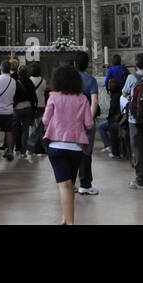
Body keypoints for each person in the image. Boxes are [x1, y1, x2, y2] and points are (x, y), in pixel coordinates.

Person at [42, 64, 95, 225]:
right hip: (76, 147)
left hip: (56, 146)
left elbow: (45, 120)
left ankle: (70, 222)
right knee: (69, 184)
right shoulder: (82, 99)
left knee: (64, 185)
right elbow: (89, 123)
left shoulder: (53, 97)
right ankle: (65, 218)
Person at [120, 53, 143, 190]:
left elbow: (124, 93)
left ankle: (141, 180)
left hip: (135, 118)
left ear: (136, 65)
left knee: (138, 149)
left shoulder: (131, 77)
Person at [75, 51, 100, 195]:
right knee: (85, 152)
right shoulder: (90, 80)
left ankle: (70, 183)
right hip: (85, 119)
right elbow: (94, 102)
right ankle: (85, 183)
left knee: (71, 150)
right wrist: (88, 121)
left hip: (70, 120)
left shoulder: (70, 80)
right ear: (87, 64)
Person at [0, 61, 18, 160]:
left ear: (1, 69)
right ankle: (10, 152)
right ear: (9, 69)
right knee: (9, 131)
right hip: (9, 110)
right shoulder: (13, 81)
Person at [13, 64, 37, 156]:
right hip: (28, 108)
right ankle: (23, 151)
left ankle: (15, 147)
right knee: (25, 130)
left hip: (17, 109)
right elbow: (33, 95)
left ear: (18, 73)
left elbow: (14, 96)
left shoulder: (15, 82)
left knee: (14, 128)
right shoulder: (30, 82)